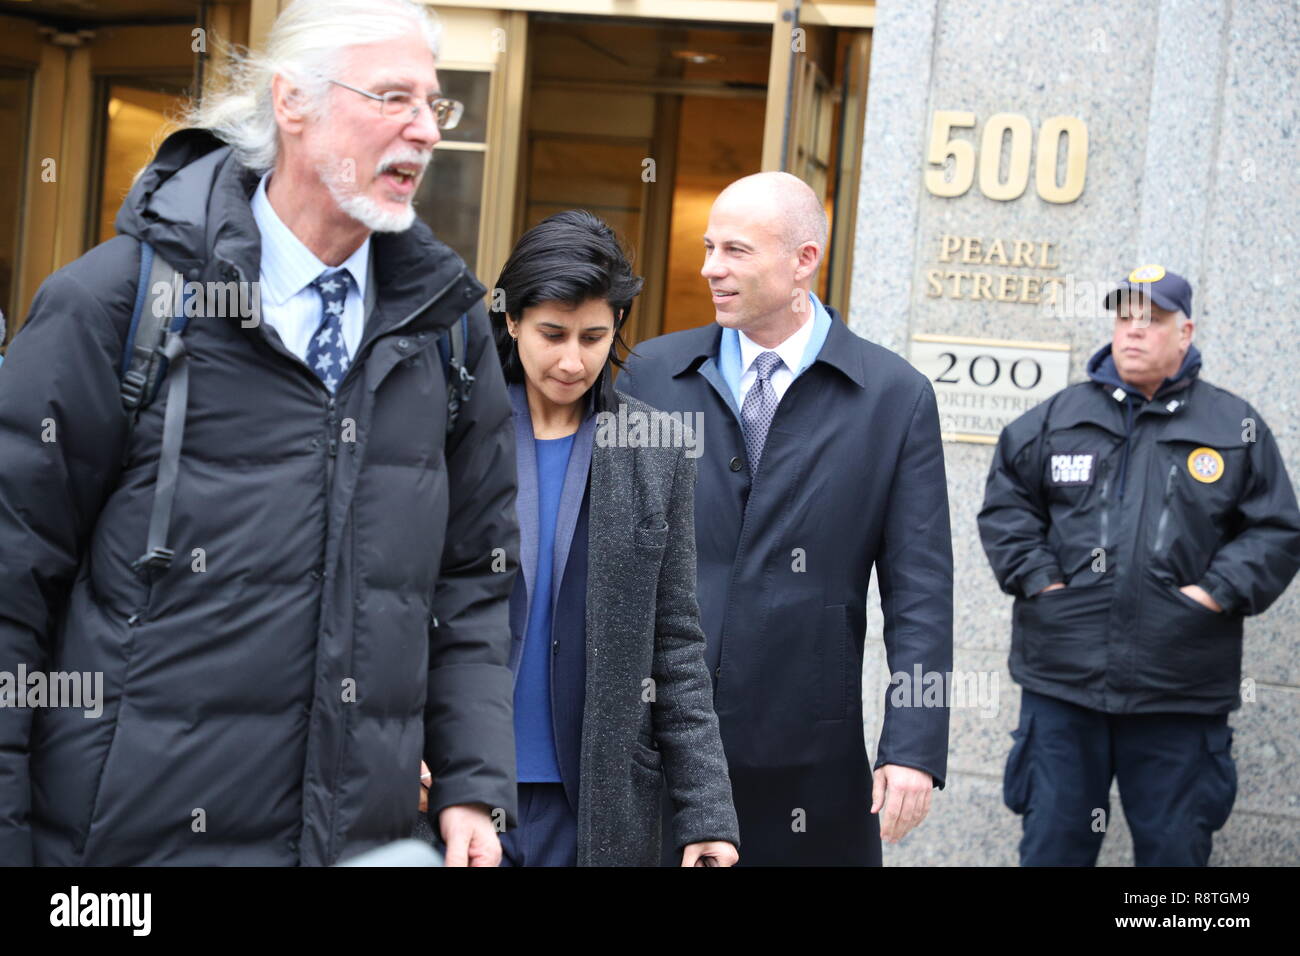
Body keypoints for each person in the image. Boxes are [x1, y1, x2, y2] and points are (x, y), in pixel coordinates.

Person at [0, 0, 519, 866]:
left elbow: (473, 579)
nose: (426, 131)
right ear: (293, 102)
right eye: (394, 98)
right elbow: (12, 588)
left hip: (361, 841)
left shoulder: (449, 330)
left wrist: (471, 781)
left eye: (437, 104)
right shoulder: (118, 306)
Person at [619, 172, 953, 866]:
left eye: (735, 251)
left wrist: (913, 747)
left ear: (804, 260)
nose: (711, 267)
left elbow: (921, 590)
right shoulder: (653, 373)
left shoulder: (893, 397)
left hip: (811, 757)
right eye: (710, 248)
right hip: (662, 743)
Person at [978, 266, 1300, 866]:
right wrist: (1041, 581)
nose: (1133, 332)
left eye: (1151, 320)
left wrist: (1214, 593)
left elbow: (1276, 529)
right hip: (1063, 685)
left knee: (1175, 859)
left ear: (1185, 332)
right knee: (1053, 850)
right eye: (1124, 318)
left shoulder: (1234, 427)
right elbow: (1007, 507)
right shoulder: (1055, 420)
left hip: (1178, 689)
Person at [489, 210, 739, 867]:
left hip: (598, 801)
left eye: (594, 336)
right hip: (459, 788)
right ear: (511, 321)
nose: (573, 360)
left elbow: (677, 637)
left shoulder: (654, 447)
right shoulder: (455, 434)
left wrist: (707, 813)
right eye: (552, 334)